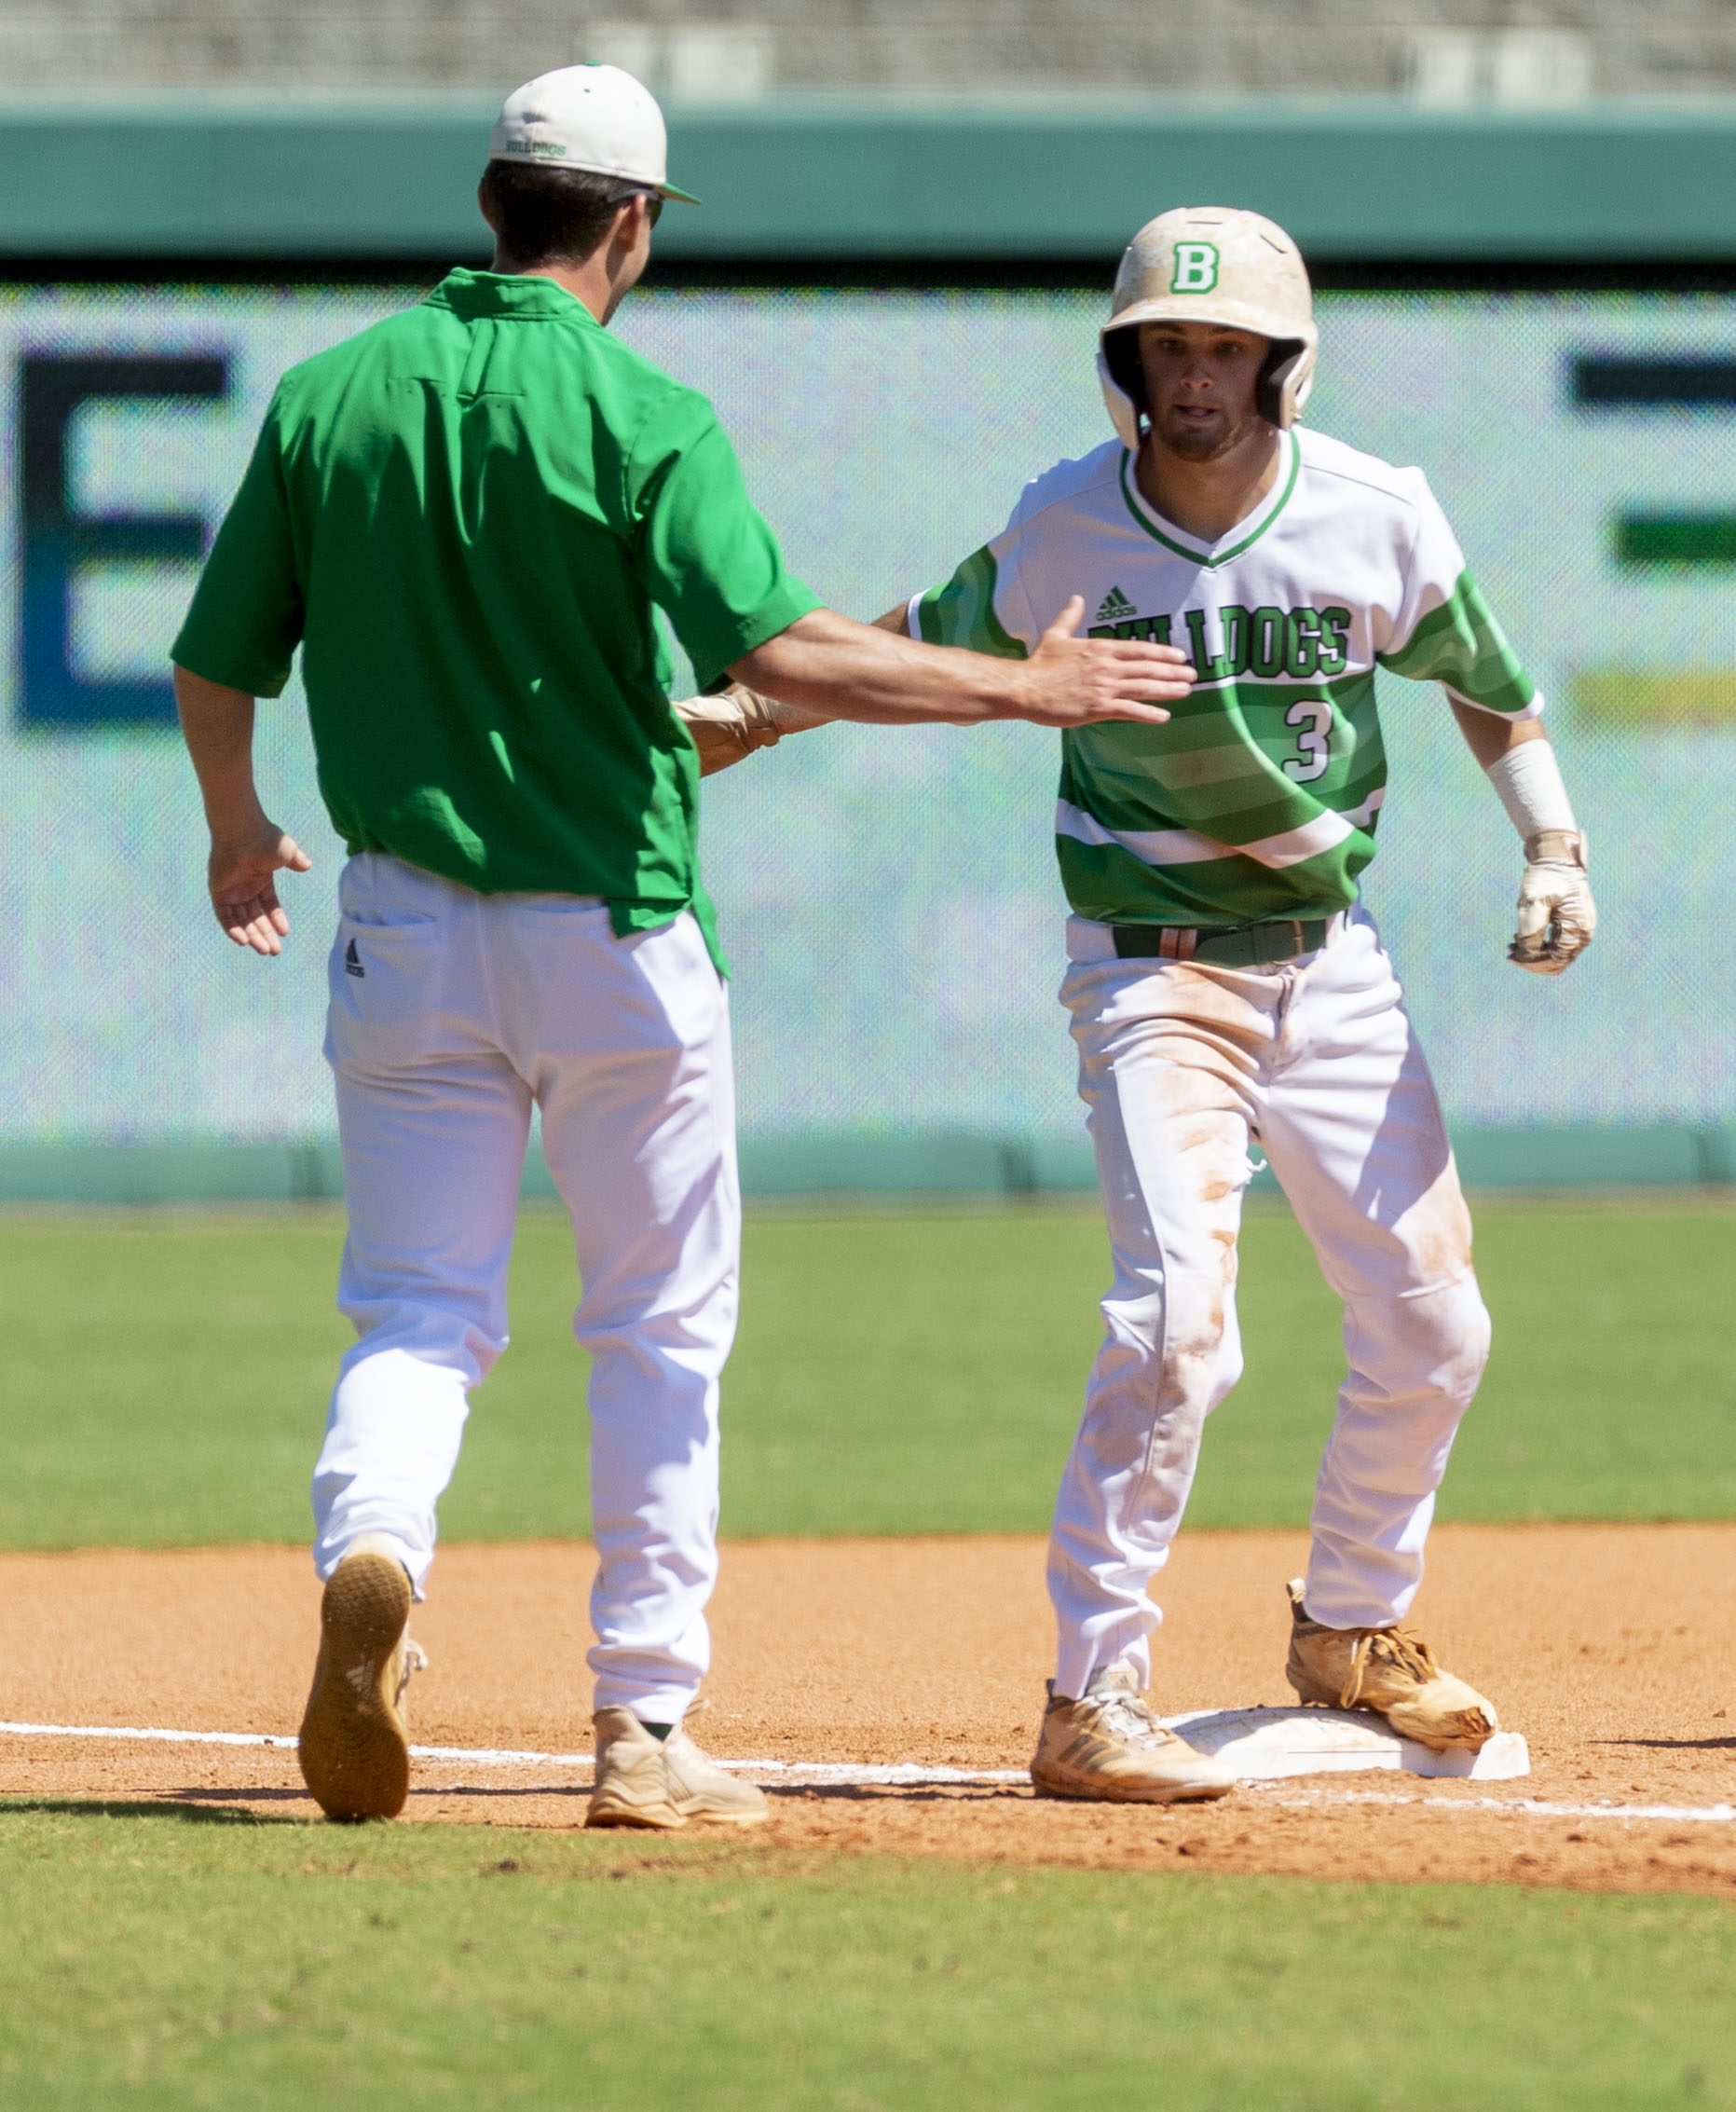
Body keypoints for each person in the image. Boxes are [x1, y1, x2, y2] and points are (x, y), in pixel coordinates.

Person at [169, 66, 1194, 1829]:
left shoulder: (329, 398)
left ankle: (377, 1556)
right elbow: (784, 654)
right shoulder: (647, 414)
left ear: (495, 200)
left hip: (402, 931)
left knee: (417, 1309)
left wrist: (236, 827)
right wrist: (1023, 685)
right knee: (658, 1327)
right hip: (616, 933)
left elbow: (217, 660)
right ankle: (641, 1727)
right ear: (630, 221)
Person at [861, 207, 1594, 1802]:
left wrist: (1552, 836)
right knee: (1177, 1323)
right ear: (1127, 363)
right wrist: (755, 704)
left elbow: (1484, 676)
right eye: (1168, 346)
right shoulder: (1067, 518)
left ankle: (1351, 1627)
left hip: (1331, 957)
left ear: (1284, 364)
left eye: (1225, 346)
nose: (1195, 374)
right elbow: (921, 643)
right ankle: (1092, 1694)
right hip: (1152, 970)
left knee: (1433, 1318)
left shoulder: (1376, 510)